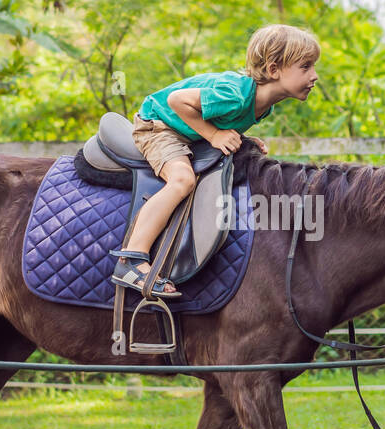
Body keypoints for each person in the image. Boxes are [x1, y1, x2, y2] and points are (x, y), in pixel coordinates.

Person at [111, 24, 320, 298]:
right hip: (158, 125)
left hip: (184, 128)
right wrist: (213, 135)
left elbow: (225, 119)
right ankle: (131, 260)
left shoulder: (263, 104)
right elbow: (177, 101)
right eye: (305, 67)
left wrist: (241, 139)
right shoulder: (234, 93)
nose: (314, 76)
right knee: (182, 180)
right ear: (273, 70)